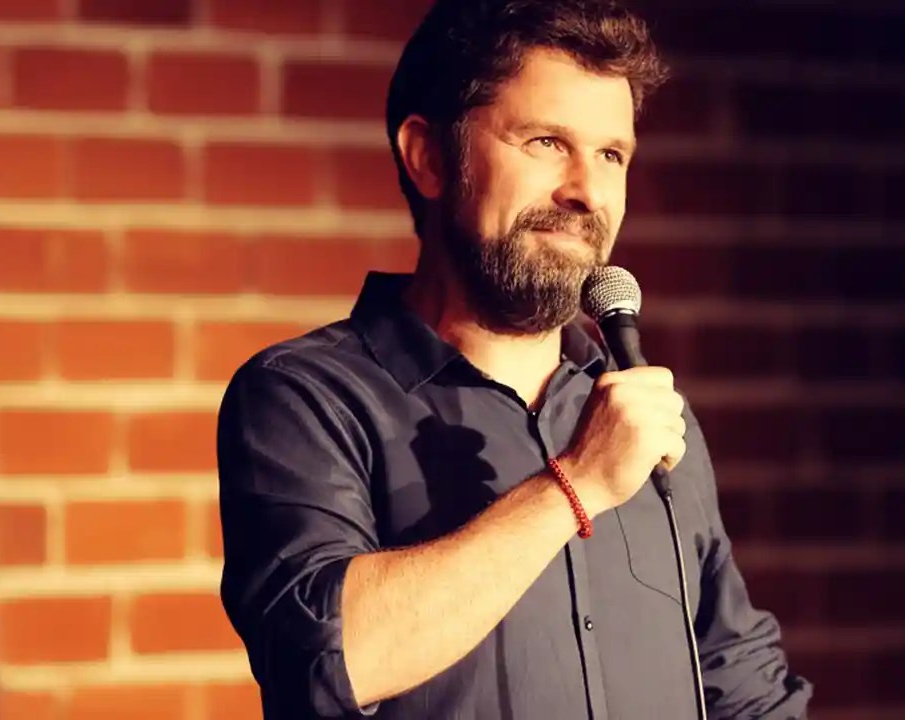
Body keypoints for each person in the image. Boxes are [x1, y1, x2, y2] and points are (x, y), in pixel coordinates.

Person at [216, 0, 813, 717]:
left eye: (611, 155)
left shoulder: (646, 414)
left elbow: (739, 680)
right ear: (430, 158)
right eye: (545, 143)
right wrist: (577, 485)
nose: (587, 192)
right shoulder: (305, 398)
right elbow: (329, 658)